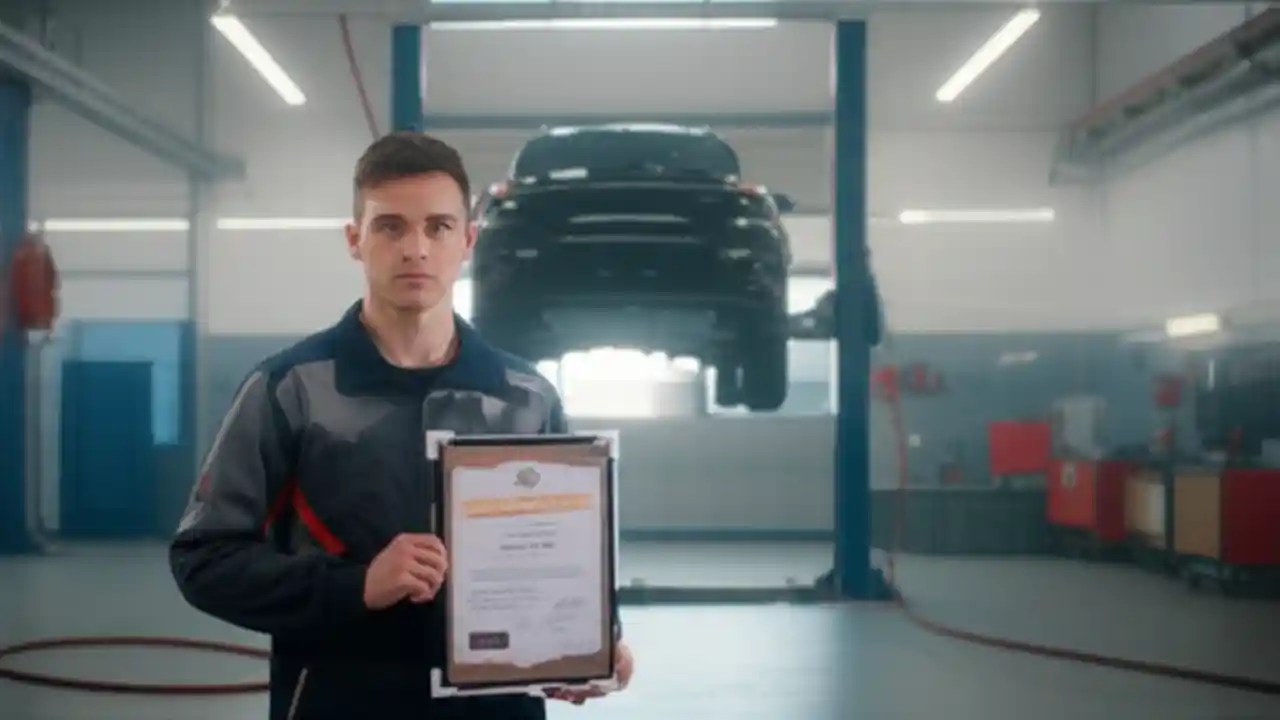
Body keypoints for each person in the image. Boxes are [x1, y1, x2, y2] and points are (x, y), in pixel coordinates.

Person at [169, 131, 633, 720]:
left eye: (438, 227)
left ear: (467, 241)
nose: (416, 248)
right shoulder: (292, 391)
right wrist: (355, 586)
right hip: (343, 704)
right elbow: (203, 559)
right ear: (354, 240)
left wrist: (587, 644)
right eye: (390, 226)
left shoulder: (525, 397)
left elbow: (561, 550)